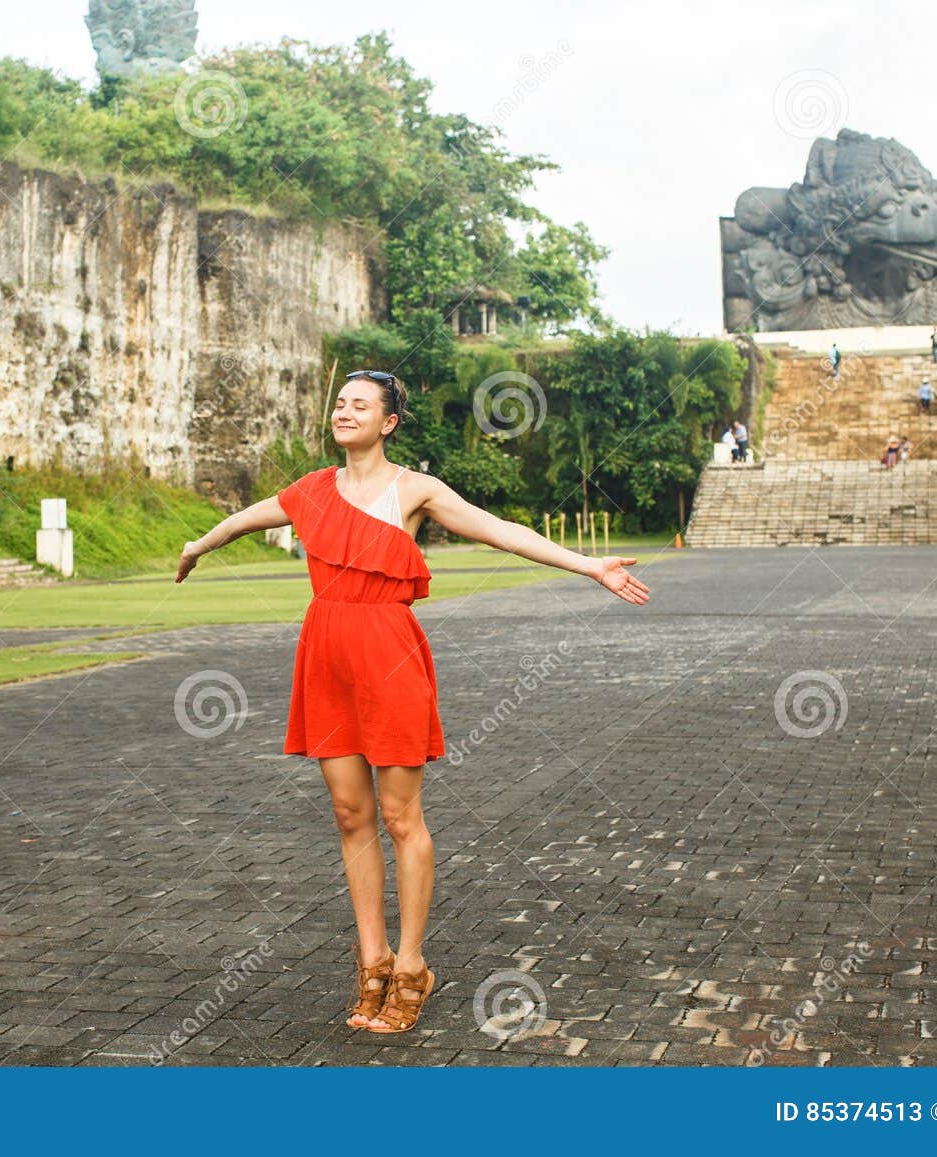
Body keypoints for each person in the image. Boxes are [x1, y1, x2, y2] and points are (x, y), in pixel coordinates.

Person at [175, 368, 650, 1034]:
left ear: (388, 421)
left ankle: (410, 964)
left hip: (390, 655)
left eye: (360, 404)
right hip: (325, 655)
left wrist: (590, 565)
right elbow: (241, 521)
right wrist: (198, 545)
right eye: (340, 403)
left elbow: (501, 530)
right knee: (350, 813)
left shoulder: (415, 490)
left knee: (401, 816)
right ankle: (371, 960)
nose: (345, 412)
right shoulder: (311, 489)